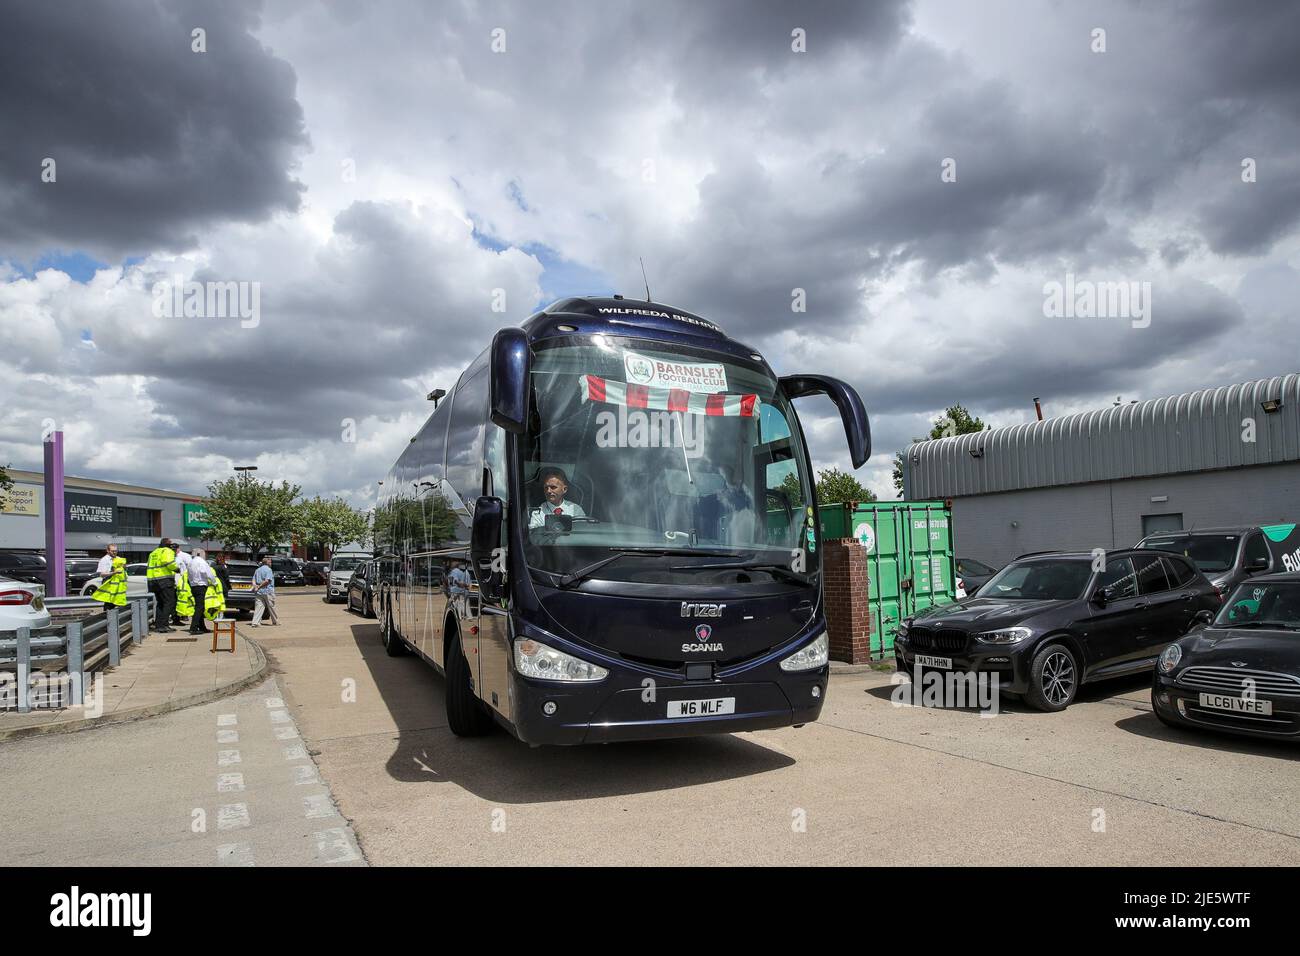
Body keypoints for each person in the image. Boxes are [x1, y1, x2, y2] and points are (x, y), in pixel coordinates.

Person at [146, 538, 179, 633]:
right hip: (164, 580)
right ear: (168, 544)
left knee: (160, 603)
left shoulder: (154, 552)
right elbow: (168, 562)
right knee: (170, 602)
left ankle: (158, 625)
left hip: (153, 581)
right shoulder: (167, 551)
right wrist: (177, 569)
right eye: (171, 544)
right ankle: (164, 625)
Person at [188, 548, 213, 634]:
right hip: (201, 585)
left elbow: (189, 575)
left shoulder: (191, 562)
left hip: (193, 586)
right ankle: (193, 627)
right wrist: (214, 582)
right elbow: (207, 573)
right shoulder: (202, 562)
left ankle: (202, 627)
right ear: (200, 554)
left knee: (199, 606)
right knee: (200, 607)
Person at [250, 555, 279, 627]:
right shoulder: (269, 570)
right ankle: (275, 621)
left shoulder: (257, 570)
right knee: (271, 607)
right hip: (267, 591)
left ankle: (255, 623)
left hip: (259, 592)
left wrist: (256, 586)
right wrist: (259, 586)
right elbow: (267, 581)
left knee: (258, 607)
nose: (271, 563)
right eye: (270, 562)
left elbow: (253, 580)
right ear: (267, 562)